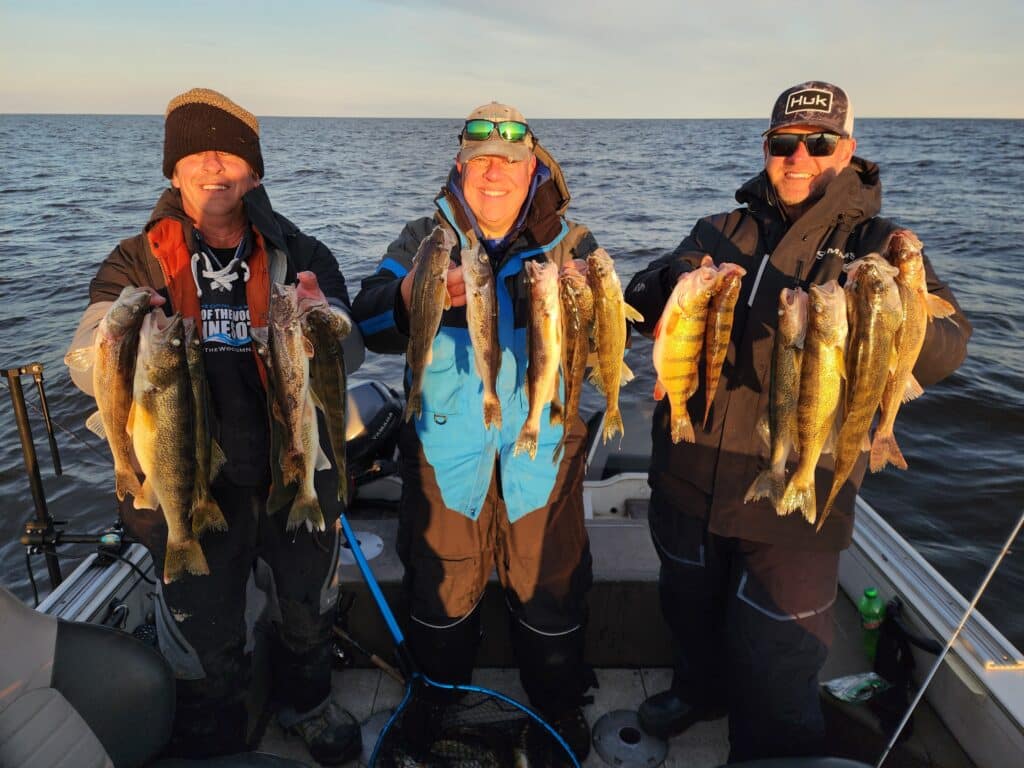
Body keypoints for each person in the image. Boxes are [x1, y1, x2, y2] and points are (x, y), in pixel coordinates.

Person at [624, 81, 971, 760]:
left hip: (797, 495)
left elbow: (950, 344)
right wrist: (674, 279)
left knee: (776, 661)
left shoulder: (880, 246)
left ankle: (769, 749)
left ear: (849, 150)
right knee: (688, 610)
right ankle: (697, 690)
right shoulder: (722, 229)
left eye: (819, 143)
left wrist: (900, 314)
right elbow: (644, 295)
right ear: (767, 148)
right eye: (785, 143)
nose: (799, 157)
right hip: (690, 475)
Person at [66, 87, 365, 764]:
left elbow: (350, 351)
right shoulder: (136, 260)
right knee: (200, 627)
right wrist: (114, 342)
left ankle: (308, 706)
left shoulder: (299, 249)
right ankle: (212, 734)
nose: (213, 167)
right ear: (173, 170)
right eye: (195, 154)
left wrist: (322, 319)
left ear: (254, 170)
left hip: (294, 469)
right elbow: (85, 361)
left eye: (229, 154)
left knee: (307, 606)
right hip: (185, 479)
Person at [351, 102, 599, 758]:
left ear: (532, 170)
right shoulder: (422, 240)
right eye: (482, 161)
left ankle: (558, 702)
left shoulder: (572, 243)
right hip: (443, 445)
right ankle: (435, 692)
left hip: (542, 445)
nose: (496, 174)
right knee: (441, 580)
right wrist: (410, 299)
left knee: (550, 583)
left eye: (511, 164)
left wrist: (587, 298)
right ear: (460, 165)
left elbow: (611, 335)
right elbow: (368, 321)